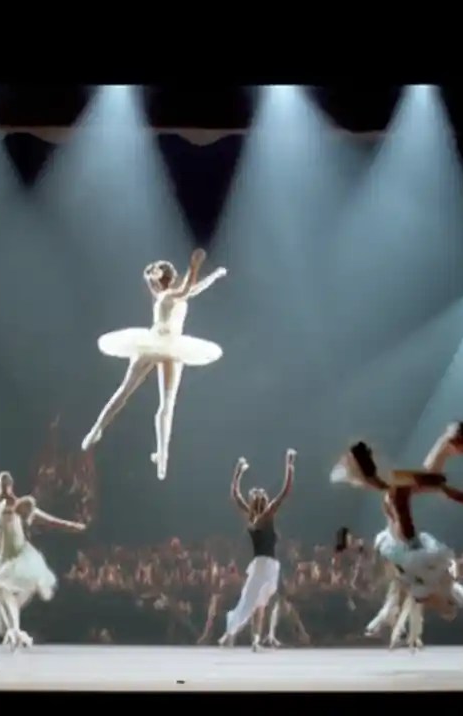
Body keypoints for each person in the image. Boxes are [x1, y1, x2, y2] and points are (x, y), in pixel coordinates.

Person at [331, 423, 463, 650]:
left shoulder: (396, 484)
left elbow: (437, 484)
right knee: (436, 593)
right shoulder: (395, 486)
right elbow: (432, 484)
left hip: (405, 543)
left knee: (431, 589)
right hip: (405, 546)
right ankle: (393, 623)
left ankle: (391, 623)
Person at [81, 248, 228, 481]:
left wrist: (213, 276)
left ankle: (100, 431)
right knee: (161, 402)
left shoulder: (167, 295)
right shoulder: (169, 296)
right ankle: (159, 457)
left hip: (164, 344)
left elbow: (193, 289)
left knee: (130, 392)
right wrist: (195, 266)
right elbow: (188, 288)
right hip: (164, 345)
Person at [0, 471, 86, 651]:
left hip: (23, 556)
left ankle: (14, 631)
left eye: (6, 485)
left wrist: (72, 526)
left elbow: (48, 520)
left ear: (10, 486)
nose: (3, 489)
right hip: (5, 559)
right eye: (0, 485)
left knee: (2, 589)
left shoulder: (21, 506)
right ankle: (15, 632)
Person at [218, 449, 296, 650]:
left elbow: (235, 494)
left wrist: (238, 472)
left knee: (257, 603)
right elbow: (285, 492)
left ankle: (253, 639)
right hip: (264, 565)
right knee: (251, 602)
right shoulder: (265, 516)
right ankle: (232, 633)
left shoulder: (254, 516)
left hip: (265, 565)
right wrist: (288, 464)